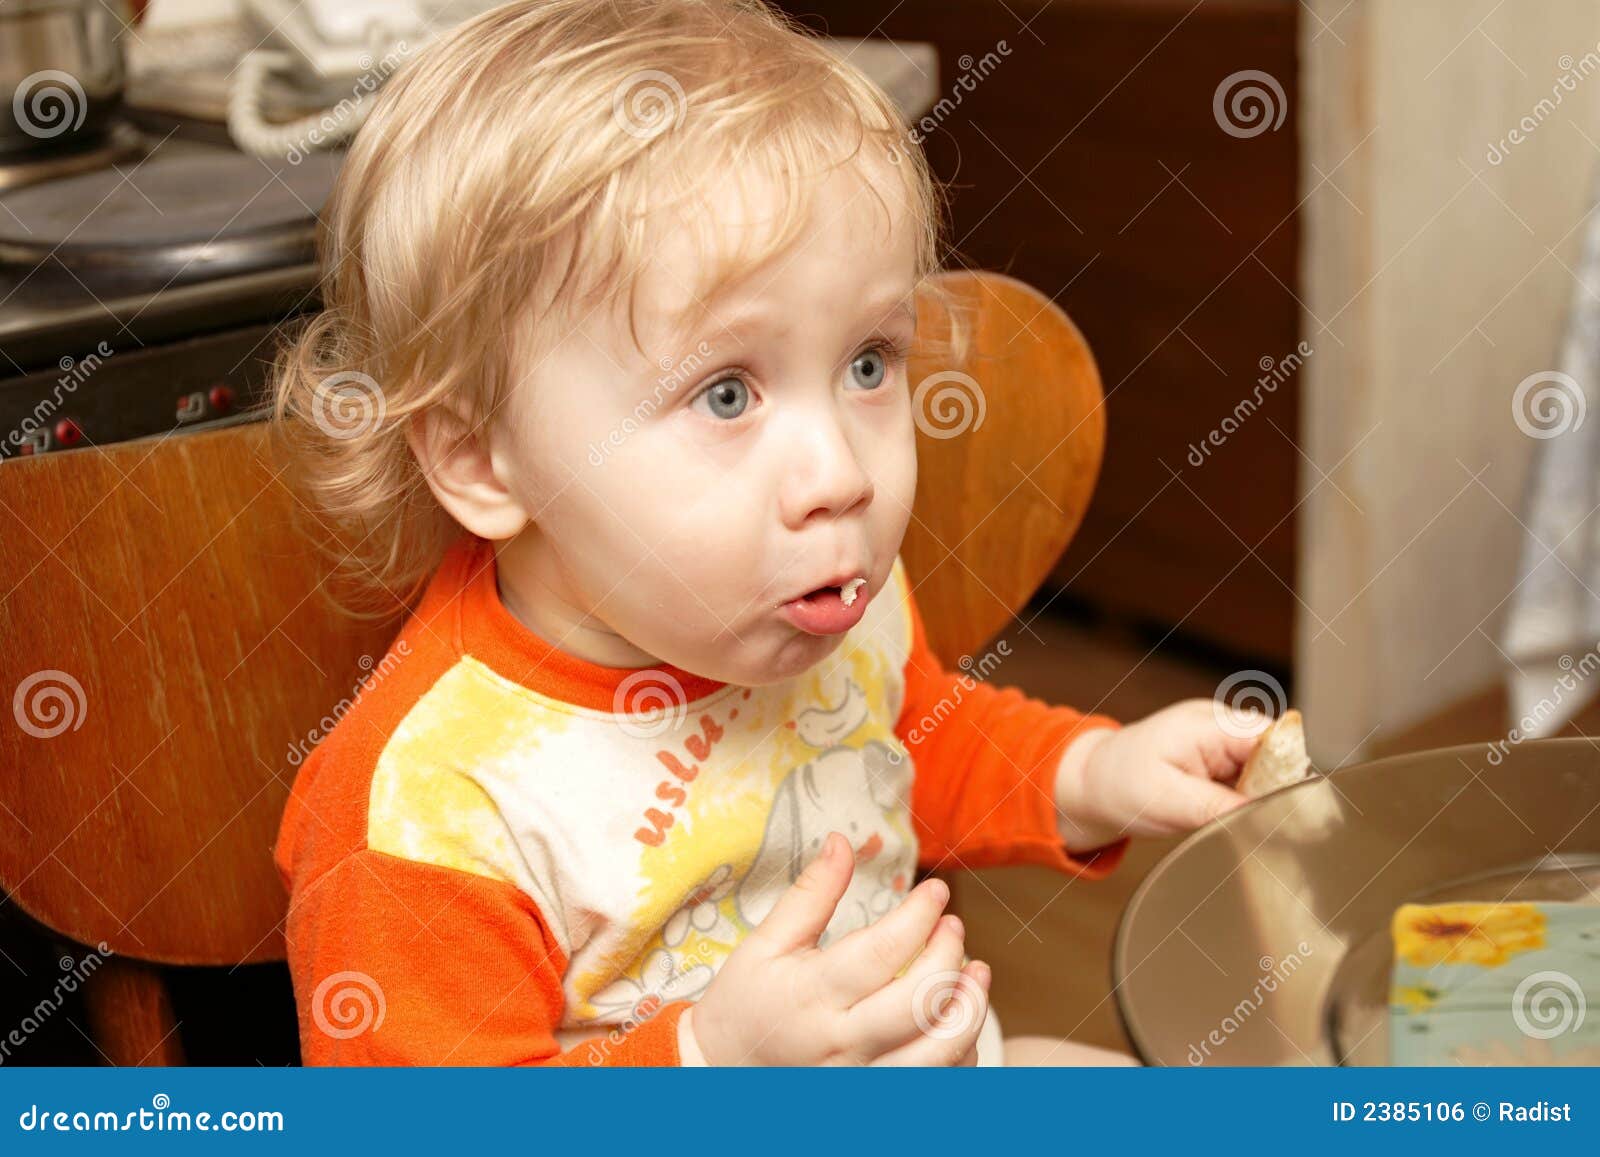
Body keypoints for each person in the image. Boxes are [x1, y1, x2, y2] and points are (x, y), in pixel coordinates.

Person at [271, 0, 1270, 1066]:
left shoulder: (818, 588)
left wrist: (1092, 771)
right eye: (725, 393)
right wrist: (711, 1061)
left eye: (869, 364)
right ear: (480, 458)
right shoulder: (427, 809)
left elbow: (906, 740)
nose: (839, 474)